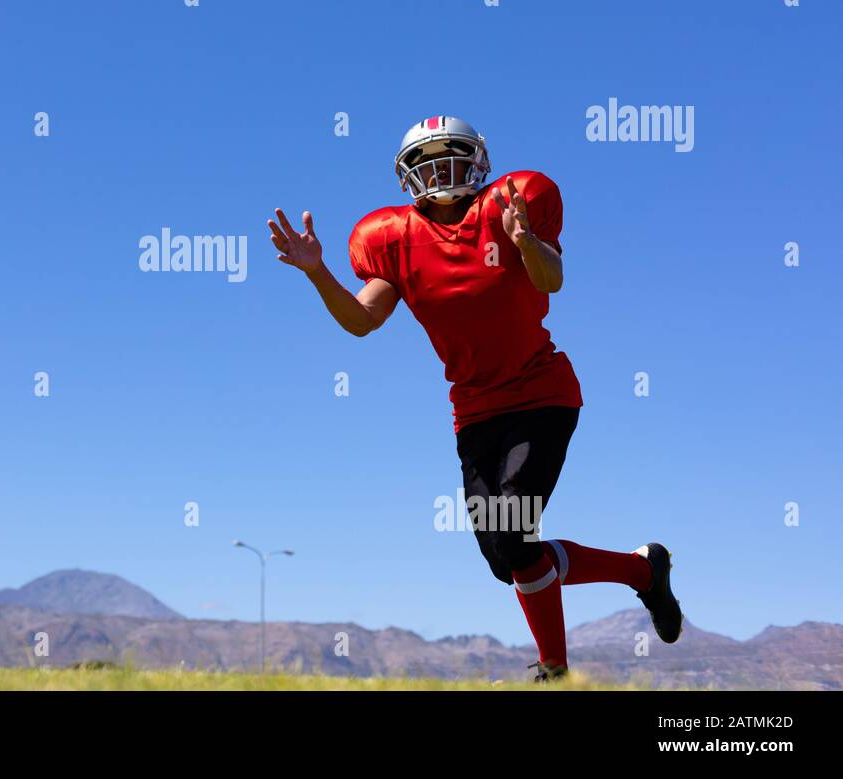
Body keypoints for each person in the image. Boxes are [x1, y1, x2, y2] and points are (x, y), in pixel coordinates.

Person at [268, 115, 683, 681]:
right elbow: (362, 321)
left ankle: (554, 670)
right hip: (474, 410)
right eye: (427, 162)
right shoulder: (391, 239)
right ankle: (642, 571)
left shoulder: (511, 204)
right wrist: (318, 274)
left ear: (477, 162)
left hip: (542, 391)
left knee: (514, 533)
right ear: (406, 176)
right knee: (507, 559)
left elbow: (550, 279)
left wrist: (526, 241)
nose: (440, 170)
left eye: (451, 157)